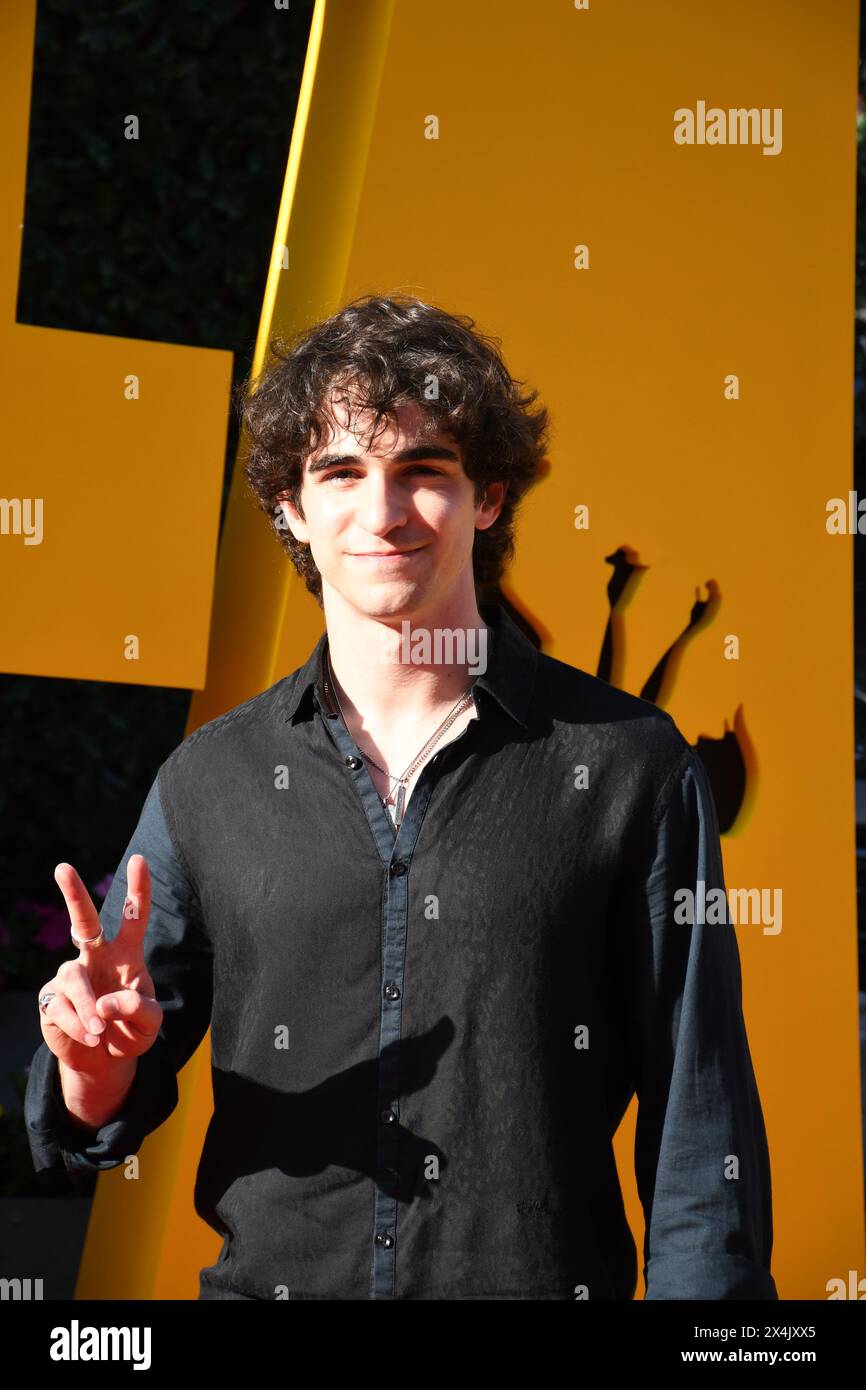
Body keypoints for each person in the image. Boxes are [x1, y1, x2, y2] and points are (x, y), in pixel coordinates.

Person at [25, 293, 778, 1301]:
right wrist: (91, 1059)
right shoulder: (209, 781)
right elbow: (90, 1122)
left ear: (490, 496)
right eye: (340, 471)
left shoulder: (630, 767)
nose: (381, 513)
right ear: (290, 506)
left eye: (422, 472)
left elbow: (700, 1119)